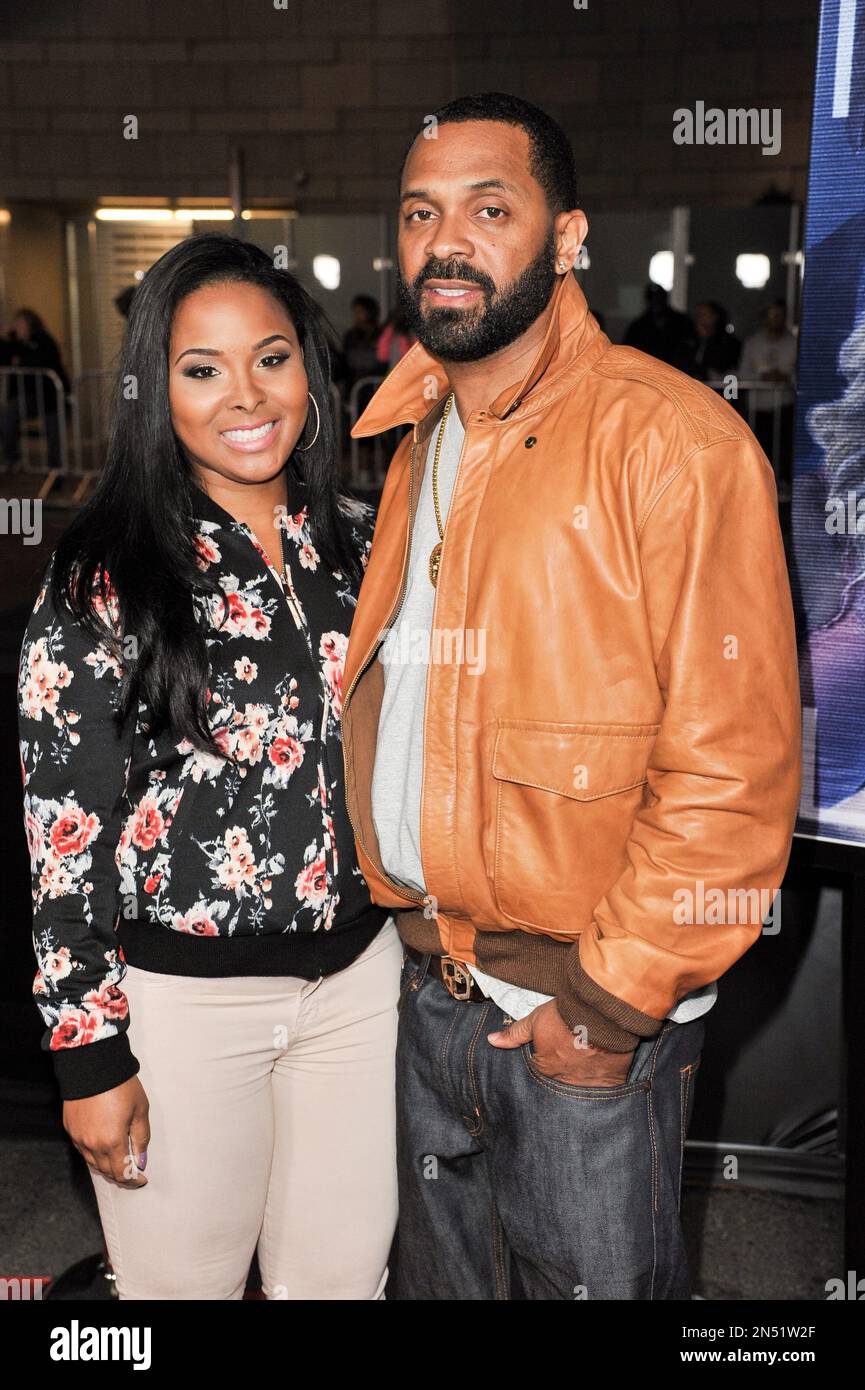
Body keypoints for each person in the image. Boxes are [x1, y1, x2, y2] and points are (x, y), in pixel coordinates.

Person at [340, 92, 801, 1300]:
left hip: (584, 1021)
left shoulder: (674, 444)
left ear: (570, 236)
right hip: (430, 993)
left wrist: (603, 1008)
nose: (448, 242)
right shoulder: (414, 436)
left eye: (491, 209)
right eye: (420, 213)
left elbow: (734, 769)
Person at [16, 233, 401, 1300]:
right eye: (201, 368)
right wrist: (89, 1054)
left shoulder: (364, 543)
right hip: (182, 1013)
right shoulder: (105, 572)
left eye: (271, 358)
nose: (246, 394)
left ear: (311, 378)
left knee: (339, 1284)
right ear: (156, 389)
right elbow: (64, 830)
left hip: (360, 991)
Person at [0, 308, 70, 471]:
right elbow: (5, 357)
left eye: (21, 324)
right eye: (16, 324)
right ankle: (12, 459)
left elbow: (42, 361)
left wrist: (20, 361)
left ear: (30, 325)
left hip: (51, 398)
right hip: (30, 397)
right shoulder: (14, 342)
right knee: (8, 416)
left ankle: (56, 472)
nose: (17, 327)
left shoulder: (44, 340)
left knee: (53, 434)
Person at [739, 299, 798, 484]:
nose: (775, 319)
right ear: (764, 318)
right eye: (771, 315)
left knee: (783, 451)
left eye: (779, 315)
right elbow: (742, 373)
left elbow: (802, 373)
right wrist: (762, 378)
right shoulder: (753, 343)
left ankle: (783, 486)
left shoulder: (795, 343)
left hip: (784, 406)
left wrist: (787, 378)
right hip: (759, 407)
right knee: (760, 451)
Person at [623, 282, 697, 373]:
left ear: (665, 298)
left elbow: (690, 350)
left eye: (659, 298)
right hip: (647, 374)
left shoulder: (682, 322)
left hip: (677, 374)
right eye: (652, 298)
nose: (656, 302)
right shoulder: (638, 326)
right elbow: (629, 353)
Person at [692, 299, 741, 383]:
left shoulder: (727, 342)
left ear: (715, 317)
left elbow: (725, 368)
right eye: (697, 315)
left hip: (718, 390)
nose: (699, 318)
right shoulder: (689, 341)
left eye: (703, 314)